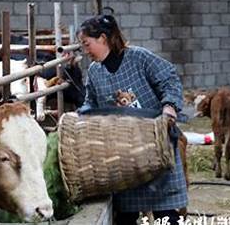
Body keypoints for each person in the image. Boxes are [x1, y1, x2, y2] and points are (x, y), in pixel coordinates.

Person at [77, 14, 188, 225]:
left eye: (86, 44)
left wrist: (170, 107)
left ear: (102, 38)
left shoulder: (139, 58)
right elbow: (90, 103)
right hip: (123, 156)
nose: (85, 51)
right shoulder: (94, 72)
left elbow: (169, 79)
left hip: (157, 147)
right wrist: (80, 116)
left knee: (167, 216)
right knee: (125, 217)